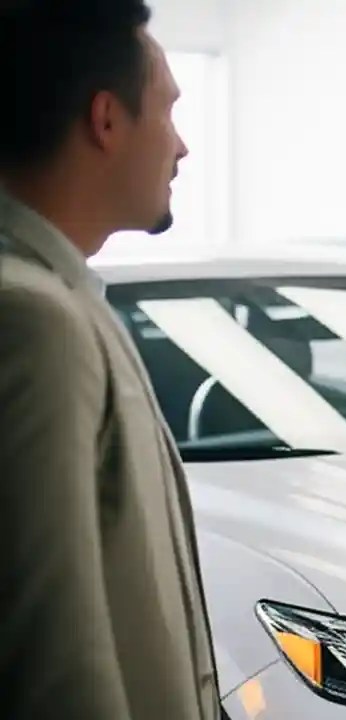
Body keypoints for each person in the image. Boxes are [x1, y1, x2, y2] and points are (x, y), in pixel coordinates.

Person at [0, 2, 221, 718]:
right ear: (105, 119)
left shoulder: (61, 293)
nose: (181, 147)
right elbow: (54, 659)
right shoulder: (33, 319)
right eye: (167, 111)